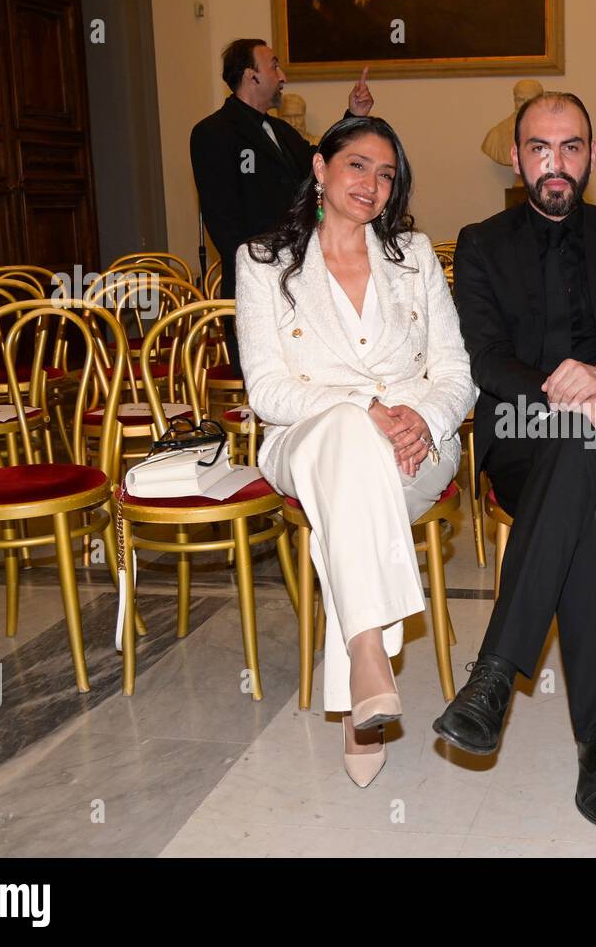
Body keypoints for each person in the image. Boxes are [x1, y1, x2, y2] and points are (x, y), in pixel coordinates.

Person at [433, 92, 596, 829]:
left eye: (571, 148)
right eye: (540, 148)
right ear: (517, 156)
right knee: (578, 471)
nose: (555, 163)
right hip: (518, 431)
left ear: (591, 157)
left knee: (586, 447)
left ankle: (497, 675)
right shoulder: (481, 241)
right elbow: (486, 357)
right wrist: (562, 394)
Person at [235, 116, 476, 788]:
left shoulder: (413, 255)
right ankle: (369, 653)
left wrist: (424, 419)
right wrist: (361, 410)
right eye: (357, 166)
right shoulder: (263, 261)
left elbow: (457, 371)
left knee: (352, 490)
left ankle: (360, 663)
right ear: (320, 167)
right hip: (303, 439)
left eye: (387, 174)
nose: (372, 184)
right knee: (345, 436)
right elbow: (269, 391)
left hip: (412, 446)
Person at [191, 38, 374, 369]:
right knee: (267, 381)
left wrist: (354, 116)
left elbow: (323, 161)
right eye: (274, 65)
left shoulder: (280, 131)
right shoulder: (213, 133)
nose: (283, 76)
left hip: (303, 275)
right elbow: (222, 220)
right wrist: (265, 267)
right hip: (258, 281)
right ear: (252, 76)